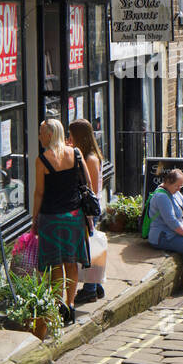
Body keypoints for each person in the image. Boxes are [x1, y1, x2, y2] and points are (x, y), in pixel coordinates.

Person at [31, 118, 89, 325]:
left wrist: (34, 218)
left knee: (56, 265)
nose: (39, 136)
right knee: (71, 262)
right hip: (73, 216)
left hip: (51, 218)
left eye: (41, 132)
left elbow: (39, 193)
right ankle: (71, 304)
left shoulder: (42, 160)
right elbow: (87, 182)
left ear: (49, 135)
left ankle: (59, 307)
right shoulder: (76, 153)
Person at [70, 119, 106, 306]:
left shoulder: (90, 158)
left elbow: (89, 189)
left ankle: (90, 289)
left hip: (89, 210)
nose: (69, 138)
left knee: (90, 251)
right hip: (88, 210)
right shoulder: (87, 155)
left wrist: (87, 216)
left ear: (79, 136)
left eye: (71, 135)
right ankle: (96, 285)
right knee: (92, 248)